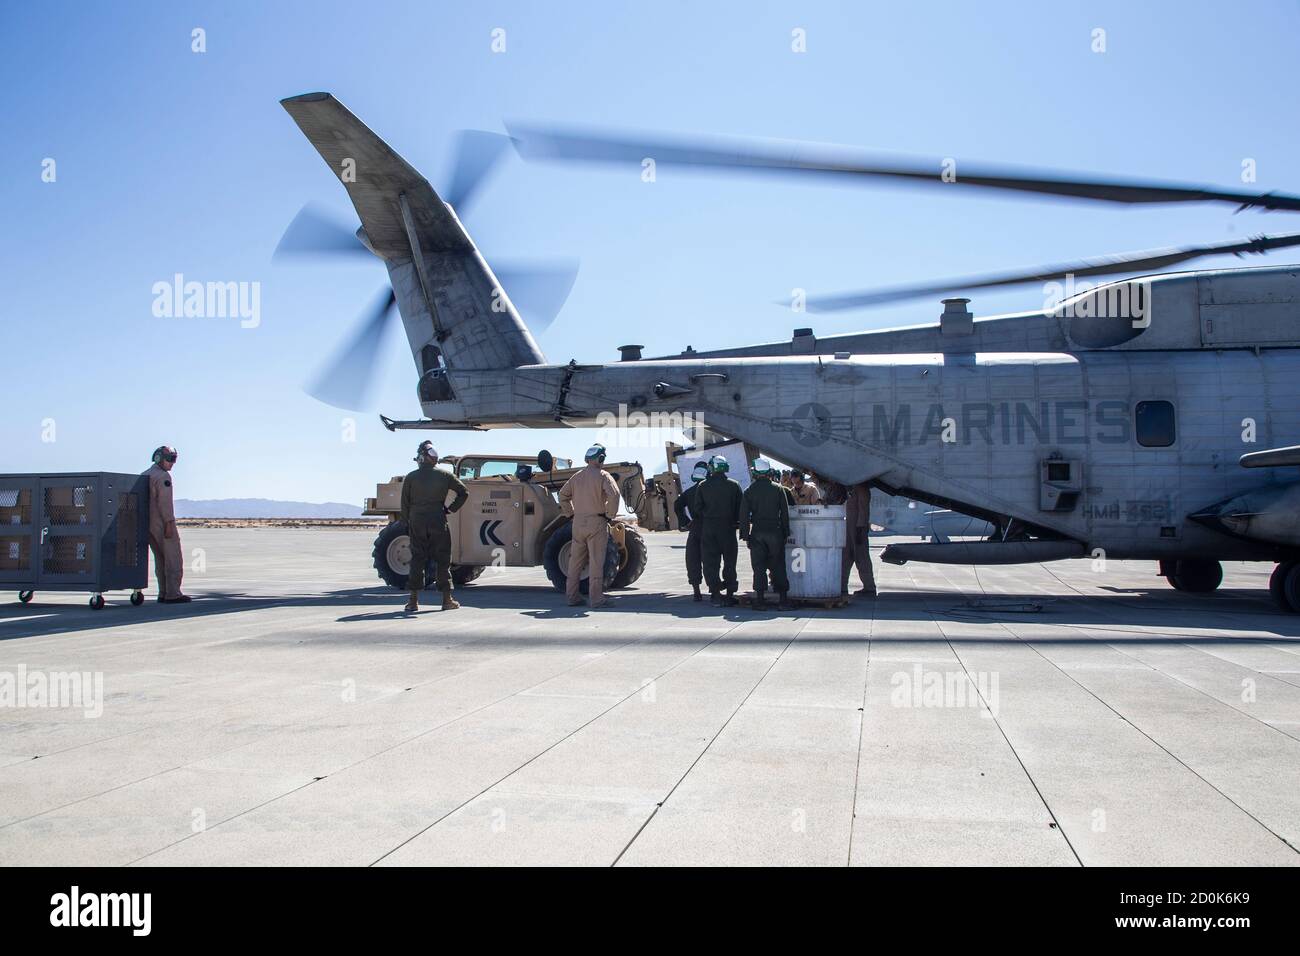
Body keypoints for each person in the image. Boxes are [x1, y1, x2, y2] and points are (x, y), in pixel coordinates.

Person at [400, 441, 469, 612]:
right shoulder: (445, 476)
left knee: (417, 559)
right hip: (438, 520)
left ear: (421, 458)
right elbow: (464, 492)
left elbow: (405, 504)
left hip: (417, 521)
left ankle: (413, 601)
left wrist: (406, 523)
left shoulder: (411, 477)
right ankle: (447, 600)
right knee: (442, 560)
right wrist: (450, 509)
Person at [559, 443, 622, 608]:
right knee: (596, 562)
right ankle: (596, 599)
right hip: (596, 523)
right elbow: (614, 495)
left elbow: (562, 495)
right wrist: (609, 515)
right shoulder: (603, 476)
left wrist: (570, 513)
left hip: (578, 524)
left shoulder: (576, 476)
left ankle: (572, 597)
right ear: (600, 458)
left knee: (575, 563)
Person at [741, 459, 793, 611]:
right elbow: (785, 513)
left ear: (755, 472)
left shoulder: (749, 491)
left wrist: (746, 535)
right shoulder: (778, 489)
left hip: (757, 532)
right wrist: (786, 533)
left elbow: (743, 515)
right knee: (778, 565)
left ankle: (760, 600)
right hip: (775, 532)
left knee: (758, 567)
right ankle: (783, 600)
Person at [695, 454, 743, 607]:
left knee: (711, 562)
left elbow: (697, 509)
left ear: (712, 467)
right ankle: (729, 595)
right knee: (730, 562)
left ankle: (715, 595)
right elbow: (740, 509)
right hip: (728, 529)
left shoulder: (702, 485)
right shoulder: (734, 485)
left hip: (709, 529)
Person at [144, 446, 190, 603]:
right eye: (169, 459)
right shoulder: (163, 477)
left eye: (174, 459)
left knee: (160, 559)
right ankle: (173, 593)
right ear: (158, 458)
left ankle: (163, 592)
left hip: (147, 524)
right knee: (173, 558)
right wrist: (169, 523)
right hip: (161, 523)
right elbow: (165, 503)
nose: (172, 463)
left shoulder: (145, 475)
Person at [673, 461, 710, 601]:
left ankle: (696, 591)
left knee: (693, 559)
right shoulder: (710, 491)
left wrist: (685, 522)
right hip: (709, 528)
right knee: (710, 560)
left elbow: (677, 505)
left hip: (694, 529)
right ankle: (714, 591)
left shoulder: (688, 492)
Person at [842, 481, 877, 597]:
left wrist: (860, 528)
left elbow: (864, 509)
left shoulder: (861, 488)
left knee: (862, 558)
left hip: (857, 529)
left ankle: (869, 588)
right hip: (849, 528)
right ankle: (842, 587)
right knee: (845, 557)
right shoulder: (849, 487)